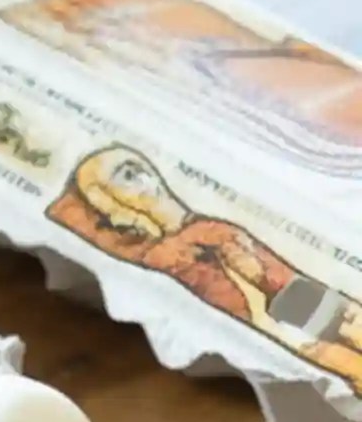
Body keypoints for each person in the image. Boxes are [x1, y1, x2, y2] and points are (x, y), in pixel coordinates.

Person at [48, 145, 362, 392]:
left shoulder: (201, 231)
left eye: (137, 168)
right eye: (127, 176)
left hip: (308, 306)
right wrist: (289, 332)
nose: (145, 177)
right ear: (109, 202)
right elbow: (256, 308)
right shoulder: (174, 250)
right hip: (293, 325)